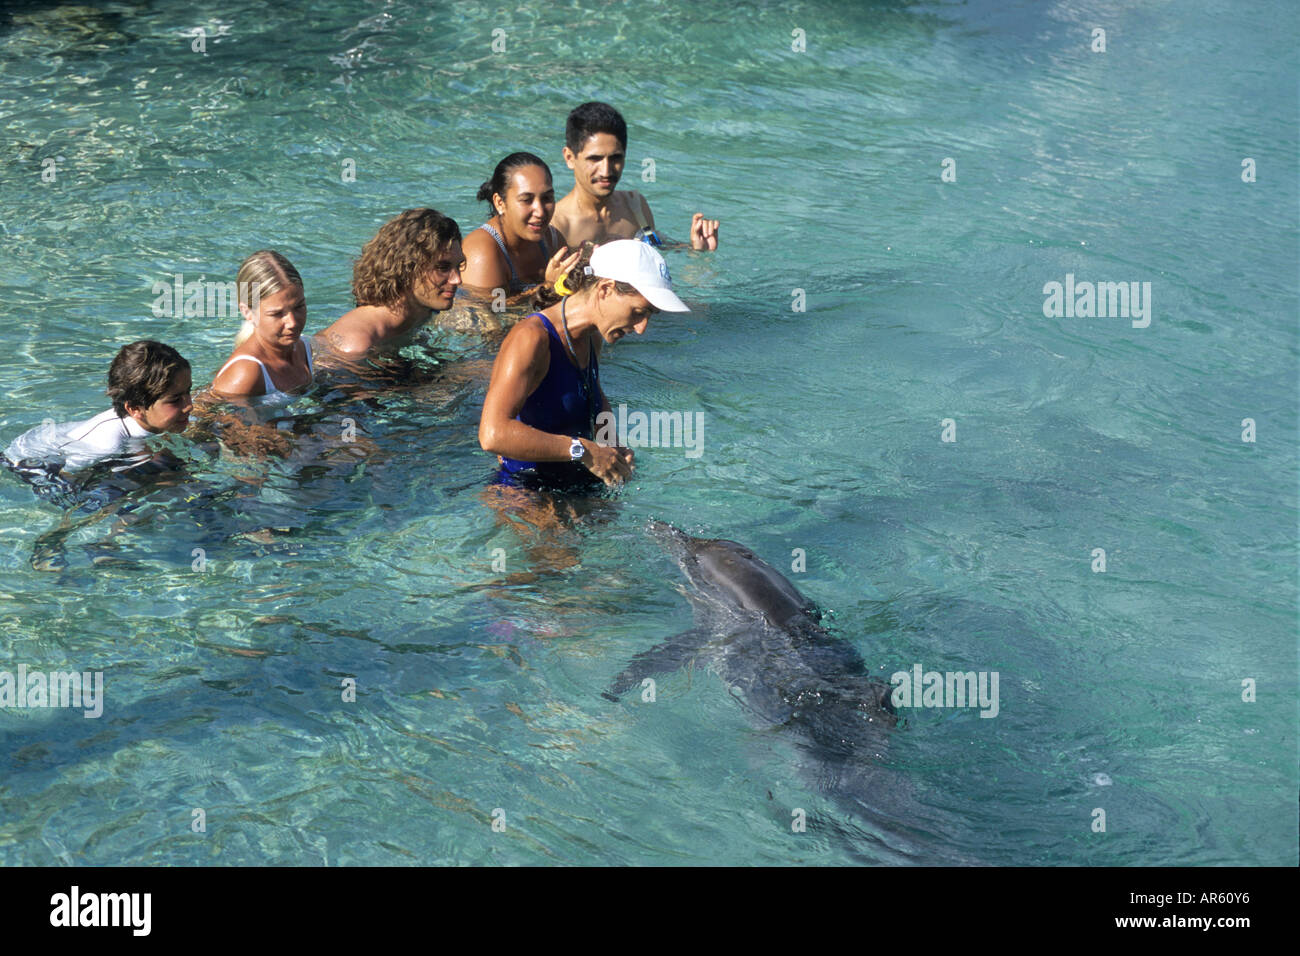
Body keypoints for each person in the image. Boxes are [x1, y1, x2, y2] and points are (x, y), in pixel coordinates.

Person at [478, 239, 688, 491]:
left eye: (649, 316)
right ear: (605, 290)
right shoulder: (531, 338)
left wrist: (612, 447)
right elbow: (492, 434)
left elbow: (595, 397)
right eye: (638, 312)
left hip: (573, 485)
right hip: (524, 491)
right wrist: (584, 451)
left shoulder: (591, 337)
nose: (642, 328)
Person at [3, 340, 192, 505]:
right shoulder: (105, 444)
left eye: (188, 391)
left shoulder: (140, 423)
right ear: (134, 409)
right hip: (32, 464)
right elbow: (63, 481)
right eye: (175, 400)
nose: (189, 405)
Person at [550, 102, 719, 251]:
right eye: (595, 159)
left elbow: (656, 249)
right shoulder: (557, 226)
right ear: (570, 158)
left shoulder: (635, 208)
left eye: (615, 158)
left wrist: (695, 249)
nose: (606, 171)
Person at [318, 208, 464, 360]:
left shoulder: (425, 311)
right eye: (442, 268)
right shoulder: (355, 344)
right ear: (406, 268)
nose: (457, 280)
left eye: (459, 266)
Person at [460, 152, 581, 297]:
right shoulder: (482, 253)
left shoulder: (552, 240)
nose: (540, 212)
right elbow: (493, 313)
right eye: (526, 200)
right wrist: (549, 287)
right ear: (500, 203)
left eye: (547, 198)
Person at [210, 250, 314, 402]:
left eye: (299, 307)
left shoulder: (304, 348)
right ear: (247, 312)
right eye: (277, 314)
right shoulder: (246, 373)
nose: (292, 323)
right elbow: (212, 422)